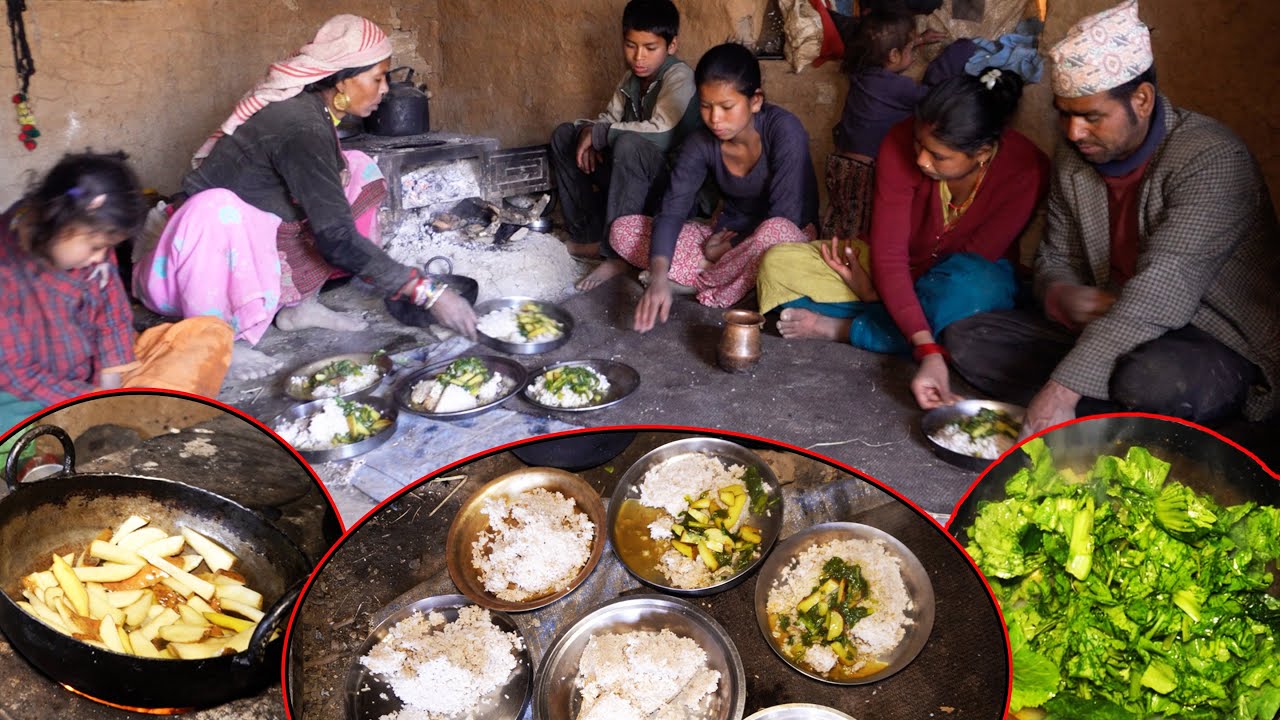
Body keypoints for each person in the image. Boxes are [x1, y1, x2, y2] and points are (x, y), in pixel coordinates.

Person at [944, 0, 1280, 434]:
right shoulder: (1075, 155)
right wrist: (1059, 293)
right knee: (970, 338)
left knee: (1151, 380)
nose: (1074, 132)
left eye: (1092, 117)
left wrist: (1062, 388)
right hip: (1111, 325)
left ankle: (1090, 403)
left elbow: (1164, 291)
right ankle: (1120, 416)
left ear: (1142, 100)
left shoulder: (1211, 158)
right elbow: (1055, 256)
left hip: (1206, 334)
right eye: (1065, 114)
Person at [133, 15, 476, 381]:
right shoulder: (300, 126)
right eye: (377, 78)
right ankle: (215, 340)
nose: (385, 89)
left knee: (358, 168)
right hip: (184, 266)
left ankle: (300, 306)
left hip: (254, 240)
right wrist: (426, 291)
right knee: (215, 208)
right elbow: (336, 237)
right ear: (343, 80)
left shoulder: (315, 111)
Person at [756, 62, 1049, 410]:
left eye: (938, 155)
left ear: (982, 154)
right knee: (778, 264)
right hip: (895, 271)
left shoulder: (1026, 169)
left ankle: (846, 329)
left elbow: (967, 261)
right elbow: (889, 253)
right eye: (918, 144)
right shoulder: (898, 141)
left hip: (959, 283)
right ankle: (908, 328)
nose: (922, 160)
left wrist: (879, 297)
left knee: (971, 290)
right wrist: (878, 287)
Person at [0, 152, 235, 431]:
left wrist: (110, 384)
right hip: (33, 396)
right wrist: (91, 401)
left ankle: (128, 421)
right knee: (16, 426)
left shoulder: (89, 236)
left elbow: (111, 314)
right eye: (96, 247)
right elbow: (14, 371)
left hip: (96, 380)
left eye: (107, 247)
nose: (101, 257)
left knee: (209, 334)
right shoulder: (6, 272)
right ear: (59, 221)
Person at [610, 42, 820, 333]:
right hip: (723, 240)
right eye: (706, 106)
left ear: (755, 101)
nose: (715, 119)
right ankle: (727, 285)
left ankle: (703, 284)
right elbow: (672, 211)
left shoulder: (784, 130)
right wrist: (658, 277)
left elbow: (787, 215)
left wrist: (728, 248)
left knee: (775, 233)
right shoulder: (701, 142)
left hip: (785, 240)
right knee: (623, 230)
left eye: (726, 107)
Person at [558, 0, 702, 289]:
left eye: (650, 48)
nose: (639, 56)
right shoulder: (630, 79)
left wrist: (601, 134)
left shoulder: (680, 76)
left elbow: (662, 133)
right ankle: (587, 236)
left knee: (628, 143)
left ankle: (617, 255)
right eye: (630, 45)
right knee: (565, 136)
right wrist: (588, 132)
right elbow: (608, 119)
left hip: (671, 191)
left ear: (672, 45)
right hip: (632, 181)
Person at [826, 8, 928, 240]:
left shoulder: (860, 74)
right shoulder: (898, 87)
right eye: (910, 49)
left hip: (839, 164)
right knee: (864, 230)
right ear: (893, 55)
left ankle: (828, 254)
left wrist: (916, 41)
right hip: (865, 172)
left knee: (841, 222)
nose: (913, 55)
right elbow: (932, 98)